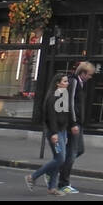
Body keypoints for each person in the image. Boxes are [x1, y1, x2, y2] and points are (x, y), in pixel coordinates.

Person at [25, 72, 71, 196]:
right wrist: (55, 134)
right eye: (65, 81)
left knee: (59, 159)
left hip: (62, 132)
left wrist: (65, 131)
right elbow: (51, 117)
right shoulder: (52, 97)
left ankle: (52, 188)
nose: (67, 83)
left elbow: (64, 115)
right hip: (54, 132)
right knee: (60, 159)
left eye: (67, 81)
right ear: (57, 83)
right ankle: (32, 176)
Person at [57, 61, 94, 195]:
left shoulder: (81, 83)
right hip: (74, 123)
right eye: (89, 74)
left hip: (79, 122)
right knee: (72, 153)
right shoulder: (73, 82)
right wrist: (73, 123)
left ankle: (54, 170)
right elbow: (70, 103)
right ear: (83, 73)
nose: (90, 77)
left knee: (79, 150)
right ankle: (63, 183)